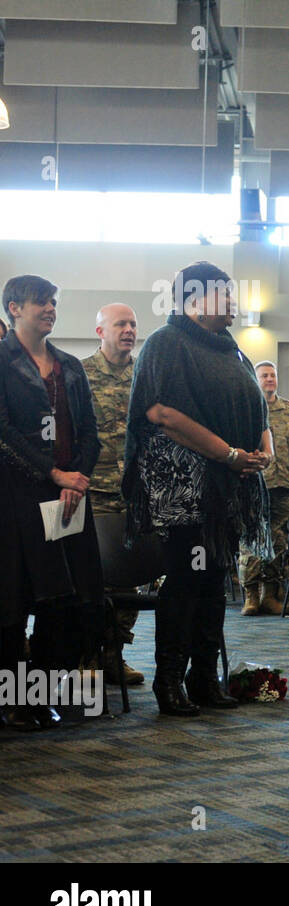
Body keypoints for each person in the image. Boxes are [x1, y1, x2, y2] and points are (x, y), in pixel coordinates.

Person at [123, 261, 272, 717]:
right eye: (222, 295)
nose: (232, 303)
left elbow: (258, 411)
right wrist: (228, 454)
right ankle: (169, 683)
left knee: (213, 584)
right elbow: (161, 413)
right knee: (186, 582)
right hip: (183, 490)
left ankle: (204, 677)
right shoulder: (166, 343)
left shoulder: (233, 351)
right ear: (191, 301)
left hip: (226, 489)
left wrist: (264, 451)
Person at [0, 275, 104, 730]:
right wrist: (51, 472)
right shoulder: (2, 362)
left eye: (53, 302)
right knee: (13, 605)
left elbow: (90, 432)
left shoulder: (69, 366)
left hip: (68, 499)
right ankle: (11, 701)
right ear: (13, 308)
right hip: (16, 498)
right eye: (40, 302)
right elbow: (3, 433)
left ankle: (38, 699)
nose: (49, 309)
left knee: (69, 602)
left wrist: (74, 479)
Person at [83, 302, 144, 686]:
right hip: (91, 493)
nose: (128, 330)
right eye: (120, 323)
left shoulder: (146, 375)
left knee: (128, 580)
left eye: (133, 324)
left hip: (134, 494)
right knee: (90, 580)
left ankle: (115, 656)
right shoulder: (80, 374)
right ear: (100, 331)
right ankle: (86, 657)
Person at [238, 361, 289, 616]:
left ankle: (270, 594)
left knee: (278, 543)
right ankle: (250, 595)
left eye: (272, 375)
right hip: (255, 484)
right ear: (255, 380)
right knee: (251, 541)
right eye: (264, 376)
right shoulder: (247, 407)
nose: (269, 379)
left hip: (283, 485)